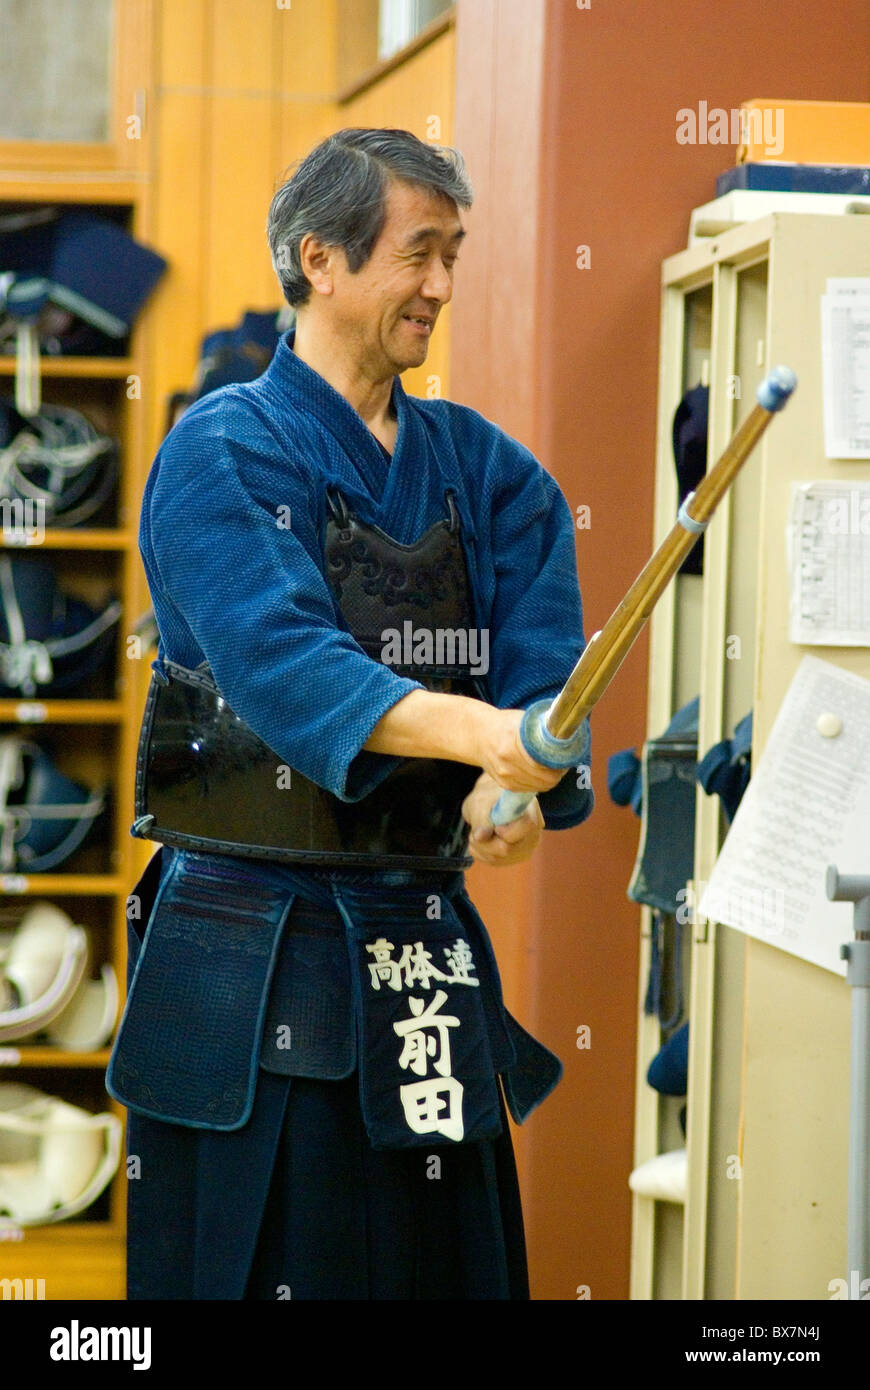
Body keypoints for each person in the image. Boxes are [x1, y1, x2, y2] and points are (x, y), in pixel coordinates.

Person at [107, 127, 594, 1301]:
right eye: (417, 253)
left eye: (453, 254)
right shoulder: (220, 451)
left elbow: (540, 672)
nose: (440, 285)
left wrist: (515, 783)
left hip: (418, 940)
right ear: (319, 259)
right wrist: (481, 737)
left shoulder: (494, 474)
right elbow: (287, 670)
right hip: (245, 950)